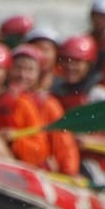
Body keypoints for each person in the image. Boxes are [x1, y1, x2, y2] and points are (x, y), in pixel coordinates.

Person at [9, 44, 80, 177]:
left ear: (39, 75)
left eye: (30, 70)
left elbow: (64, 146)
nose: (22, 75)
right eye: (18, 68)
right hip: (6, 161)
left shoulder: (48, 104)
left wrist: (68, 173)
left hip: (39, 168)